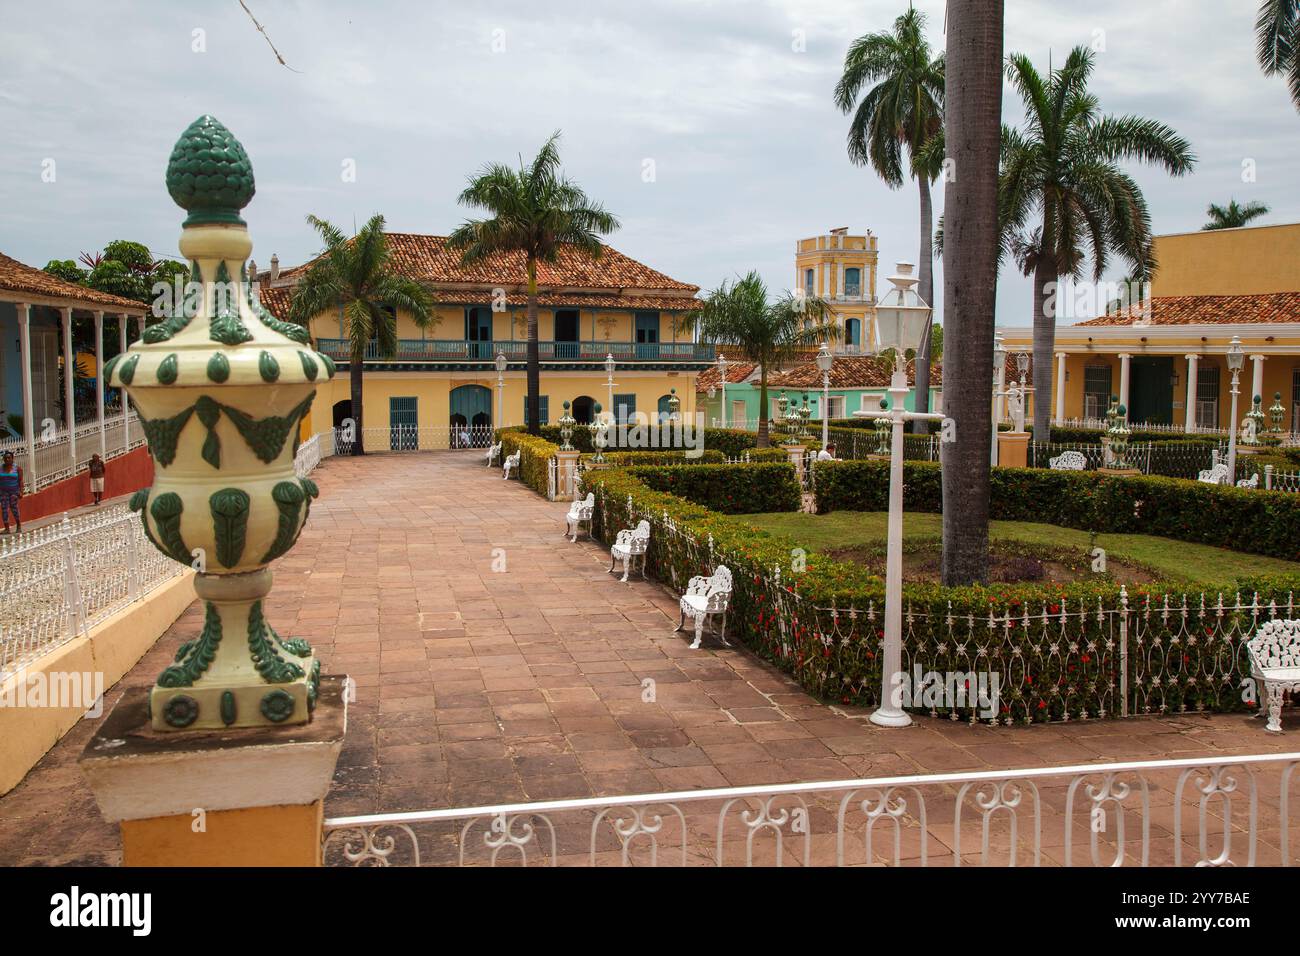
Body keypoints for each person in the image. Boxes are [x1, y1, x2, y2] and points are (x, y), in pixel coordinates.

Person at [0, 451, 22, 534]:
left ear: (13, 458)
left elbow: (20, 480)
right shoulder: (1, 468)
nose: (7, 459)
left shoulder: (17, 468)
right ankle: (7, 528)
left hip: (14, 492)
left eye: (9, 458)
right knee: (4, 510)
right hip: (3, 492)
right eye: (5, 458)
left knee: (14, 509)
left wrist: (21, 491)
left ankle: (19, 526)